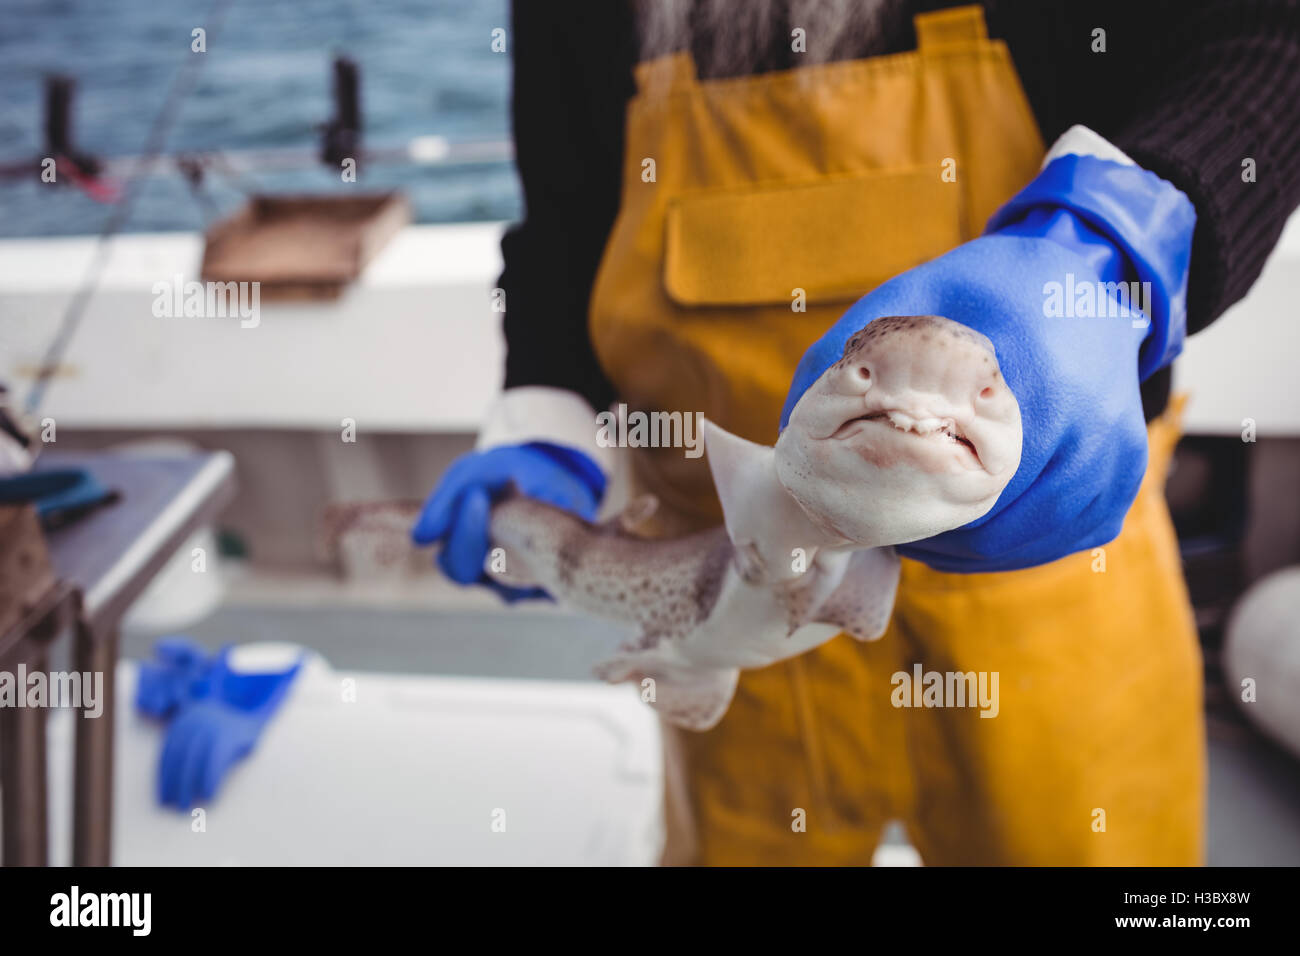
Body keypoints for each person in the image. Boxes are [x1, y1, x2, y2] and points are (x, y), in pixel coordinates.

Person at [414, 0, 1300, 865]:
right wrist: (544, 413)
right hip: (724, 573)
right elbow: (567, 219)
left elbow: (1270, 37)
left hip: (1049, 585)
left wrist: (1112, 238)